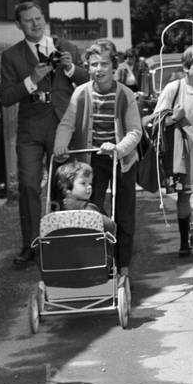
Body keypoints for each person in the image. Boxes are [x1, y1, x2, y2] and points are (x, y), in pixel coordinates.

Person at [0, 1, 87, 268]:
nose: (35, 24)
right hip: (31, 127)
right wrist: (31, 81)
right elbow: (5, 97)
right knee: (27, 185)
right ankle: (31, 244)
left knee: (65, 183)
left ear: (44, 19)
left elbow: (88, 83)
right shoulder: (11, 56)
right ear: (19, 25)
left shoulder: (66, 47)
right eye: (28, 20)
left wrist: (71, 69)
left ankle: (69, 238)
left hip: (62, 122)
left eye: (38, 18)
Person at [54, 39, 142, 280]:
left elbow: (135, 131)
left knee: (124, 215)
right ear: (88, 67)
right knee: (93, 212)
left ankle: (124, 269)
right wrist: (60, 143)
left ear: (113, 66)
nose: (99, 69)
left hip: (121, 160)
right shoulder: (81, 93)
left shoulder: (125, 94)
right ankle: (99, 265)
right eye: (94, 64)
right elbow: (67, 123)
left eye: (104, 63)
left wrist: (118, 147)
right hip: (92, 161)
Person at [149, 45, 193, 257]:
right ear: (186, 67)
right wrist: (173, 118)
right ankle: (185, 241)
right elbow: (155, 120)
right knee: (184, 196)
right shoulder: (174, 89)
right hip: (181, 151)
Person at [53, 159, 116, 235]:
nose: (89, 187)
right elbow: (110, 226)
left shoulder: (58, 209)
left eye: (90, 183)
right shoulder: (88, 209)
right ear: (67, 189)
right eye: (83, 183)